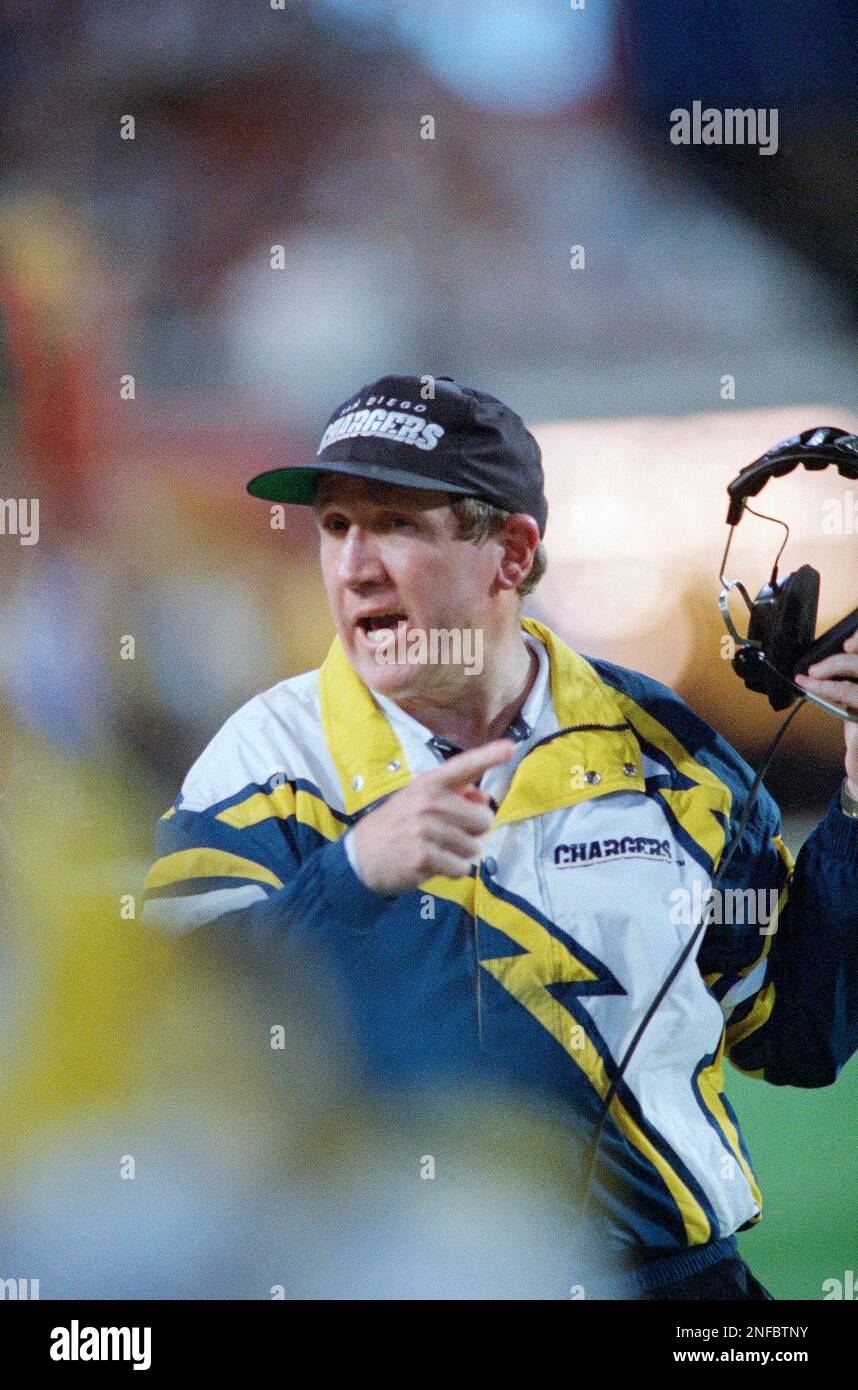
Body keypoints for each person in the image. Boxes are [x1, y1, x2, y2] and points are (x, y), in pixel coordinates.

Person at [143, 373, 858, 1299]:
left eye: (396, 523)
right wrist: (350, 878)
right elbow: (167, 1062)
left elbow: (796, 1035)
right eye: (334, 526)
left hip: (685, 1292)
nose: (354, 566)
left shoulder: (666, 750)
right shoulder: (259, 770)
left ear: (512, 551)